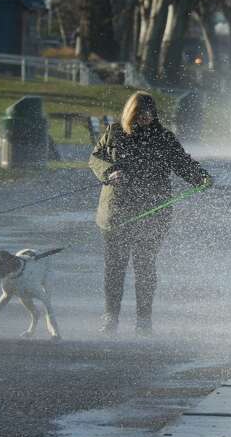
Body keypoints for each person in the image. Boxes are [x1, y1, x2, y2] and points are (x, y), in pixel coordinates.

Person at [88, 91, 211, 335]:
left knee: (145, 267)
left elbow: (182, 163)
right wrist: (109, 172)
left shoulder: (163, 138)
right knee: (115, 267)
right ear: (130, 113)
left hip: (152, 212)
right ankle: (111, 317)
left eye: (149, 114)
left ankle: (144, 320)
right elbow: (95, 159)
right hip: (118, 212)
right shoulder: (114, 133)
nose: (145, 118)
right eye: (140, 114)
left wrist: (200, 177)